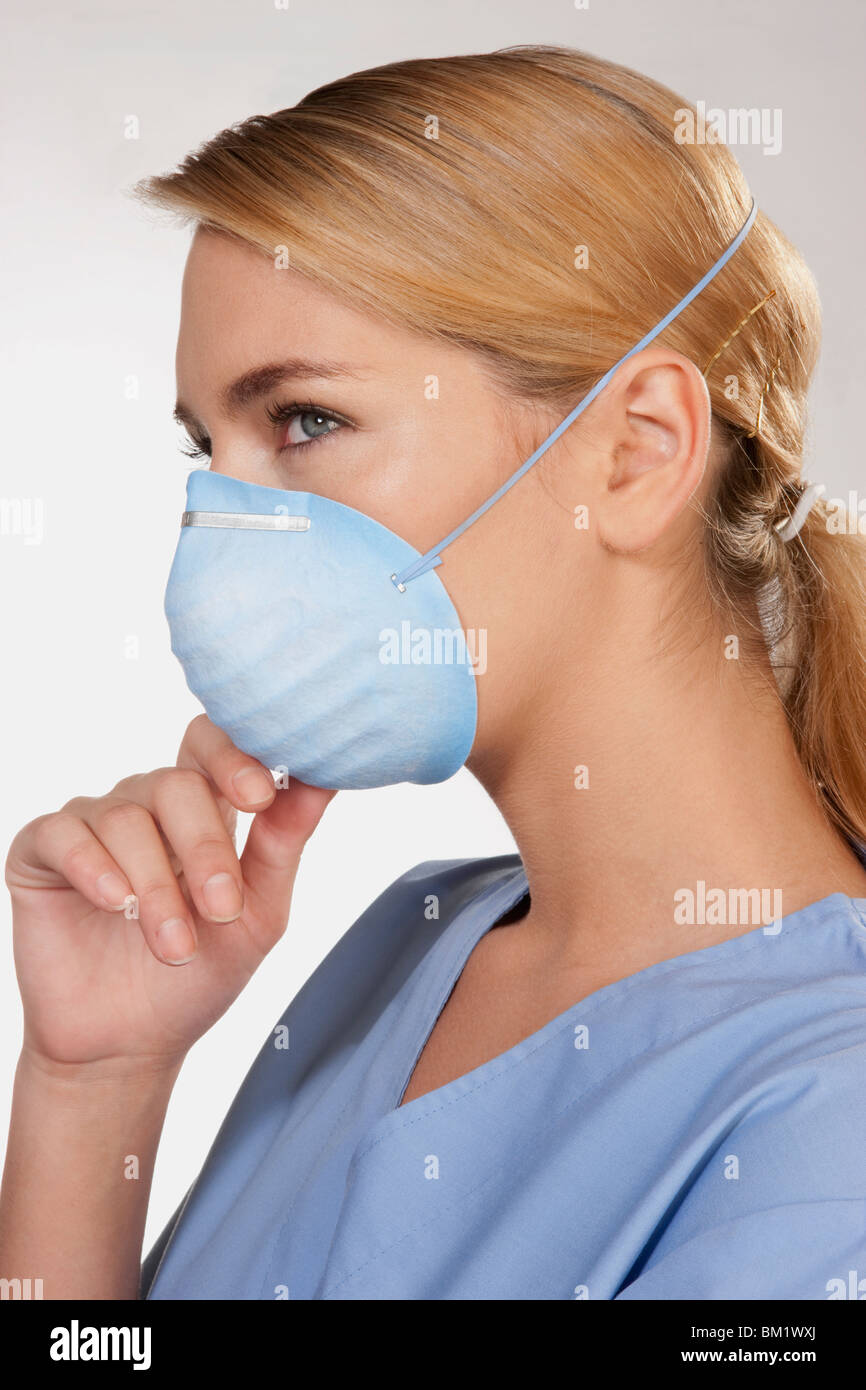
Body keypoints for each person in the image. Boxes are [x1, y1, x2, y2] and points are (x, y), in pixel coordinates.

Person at [3, 45, 866, 1301]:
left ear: (635, 451)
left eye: (304, 420)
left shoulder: (827, 1118)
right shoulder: (411, 944)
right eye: (207, 450)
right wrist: (94, 1087)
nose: (217, 531)